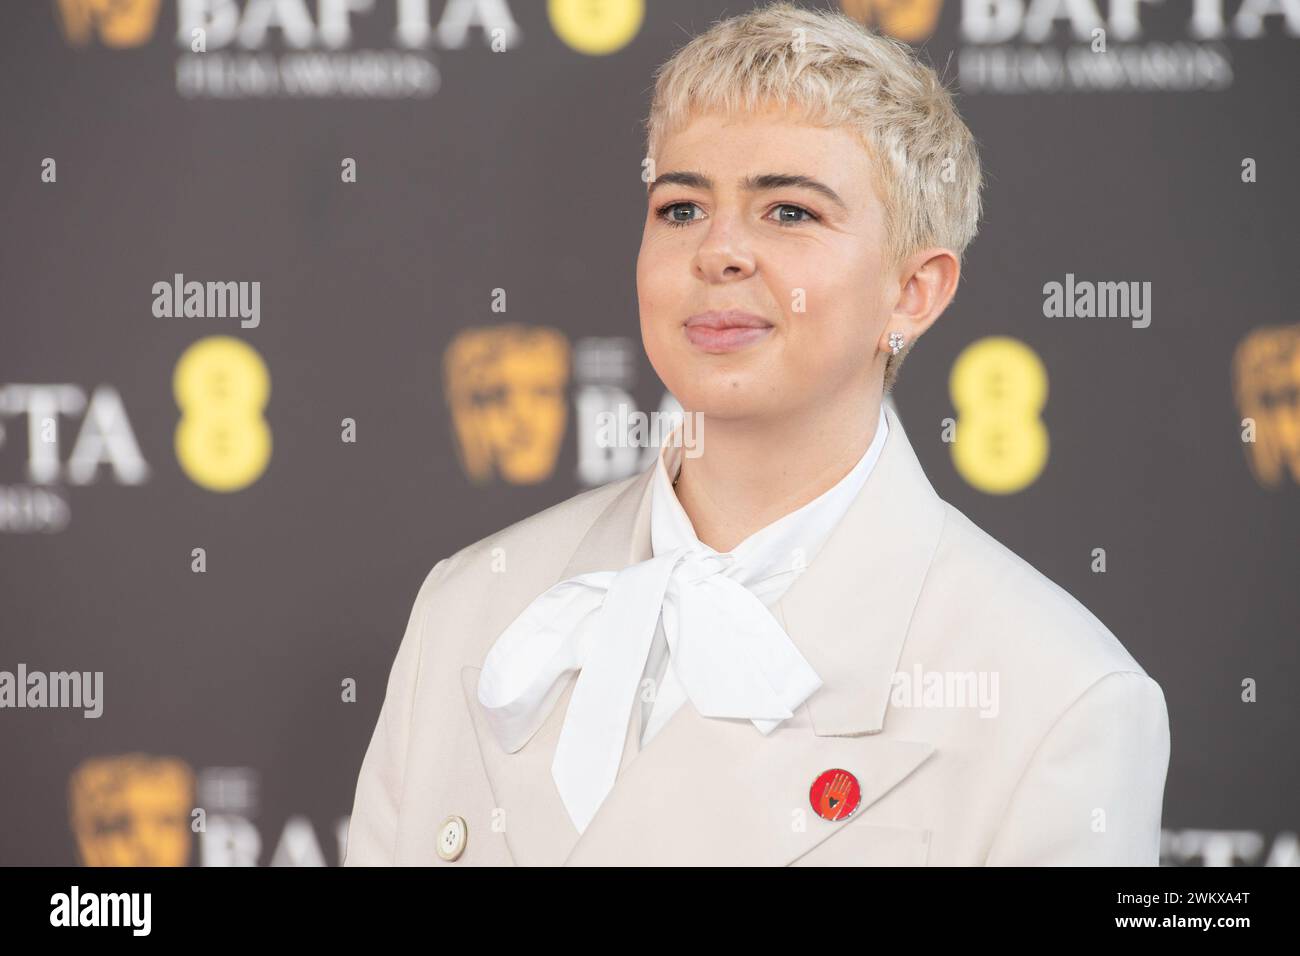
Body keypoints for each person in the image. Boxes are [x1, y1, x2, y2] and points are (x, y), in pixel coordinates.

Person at [344, 2, 1169, 867]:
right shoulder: (467, 608)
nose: (719, 252)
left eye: (789, 213)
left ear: (913, 291)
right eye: (681, 208)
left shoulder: (1061, 699)